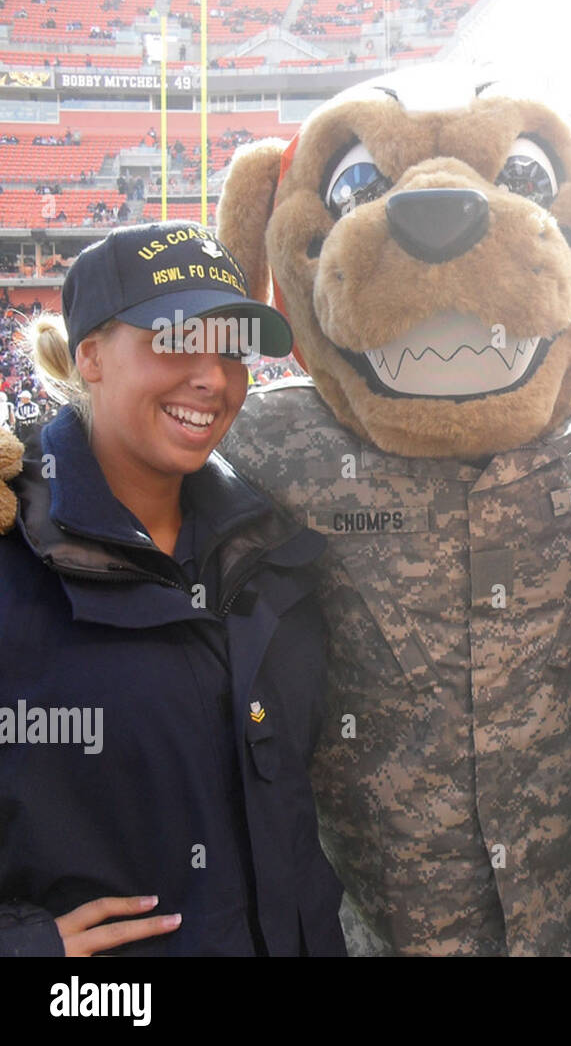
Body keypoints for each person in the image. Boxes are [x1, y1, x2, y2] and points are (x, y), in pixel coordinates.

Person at [0, 221, 346, 956]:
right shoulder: (13, 543)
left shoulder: (274, 538)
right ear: (90, 354)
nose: (214, 379)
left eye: (230, 349)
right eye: (176, 340)